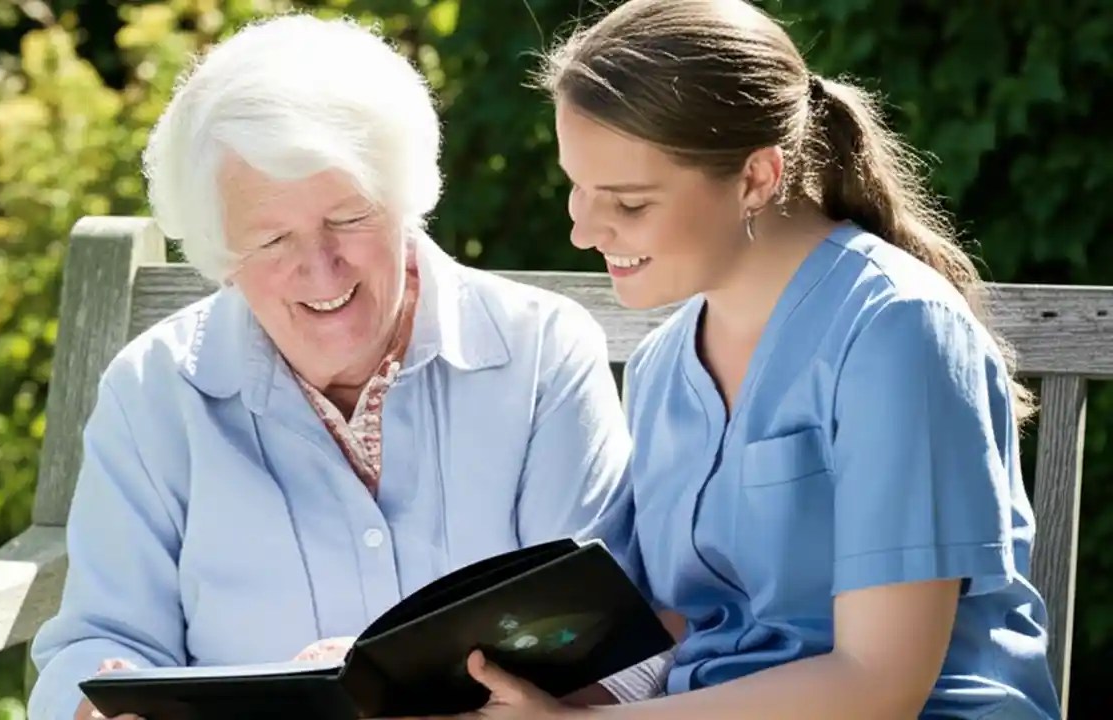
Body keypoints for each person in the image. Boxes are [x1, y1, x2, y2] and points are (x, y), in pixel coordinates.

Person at [404, 1, 1064, 719]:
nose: (582, 229)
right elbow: (677, 624)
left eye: (627, 202)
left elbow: (881, 684)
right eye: (578, 187)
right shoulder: (663, 365)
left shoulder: (898, 329)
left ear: (756, 176)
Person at [26, 14, 651, 720]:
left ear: (405, 200)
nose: (319, 267)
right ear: (220, 249)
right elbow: (96, 641)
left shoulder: (540, 352)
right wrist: (93, 707)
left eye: (349, 218)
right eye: (271, 237)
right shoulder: (155, 390)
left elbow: (613, 633)